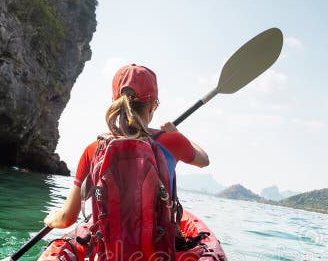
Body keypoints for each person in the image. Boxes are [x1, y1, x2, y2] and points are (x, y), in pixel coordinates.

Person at [44, 64, 209, 230]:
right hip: (160, 254)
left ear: (116, 103)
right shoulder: (174, 141)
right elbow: (204, 160)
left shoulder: (94, 149)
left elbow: (66, 218)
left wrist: (51, 219)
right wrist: (178, 134)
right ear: (153, 106)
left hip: (108, 254)